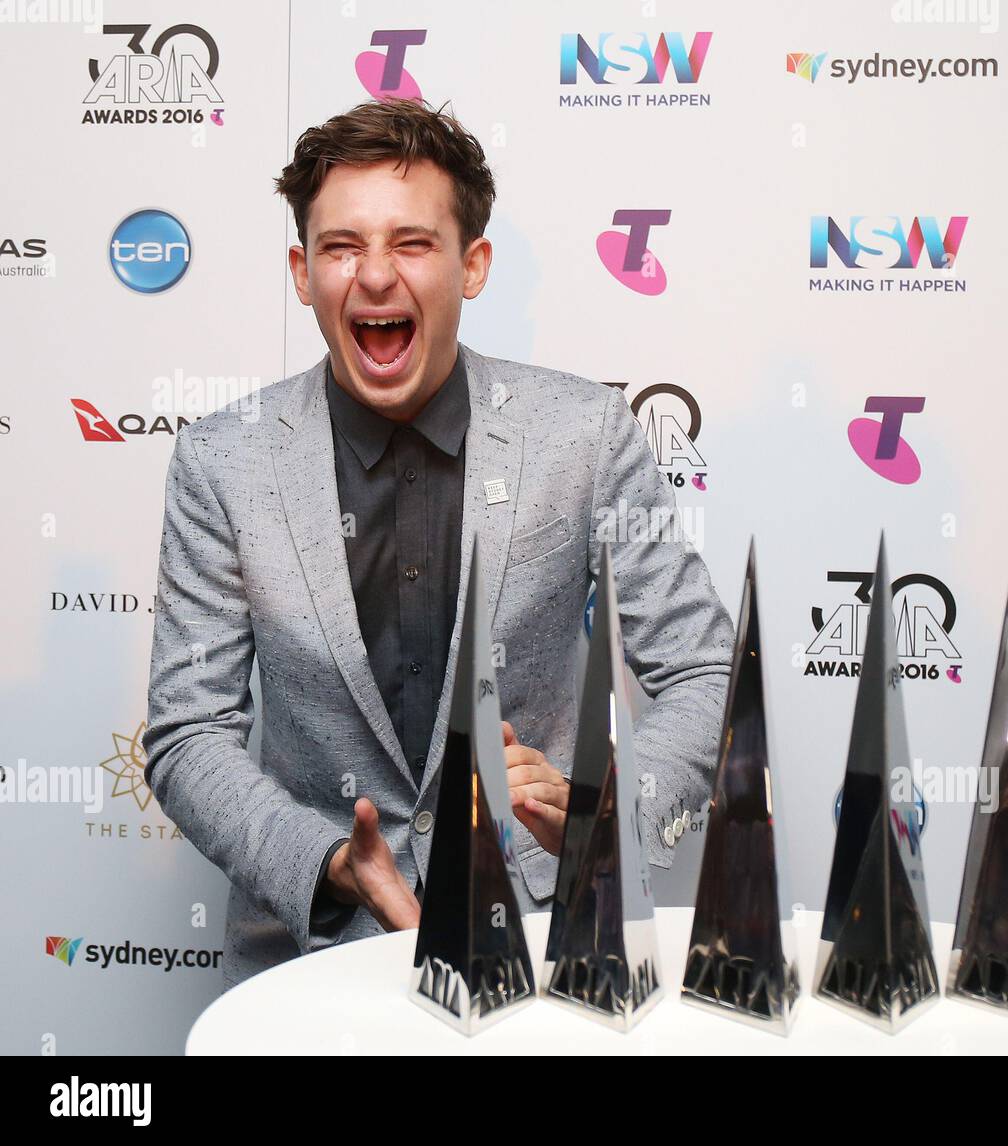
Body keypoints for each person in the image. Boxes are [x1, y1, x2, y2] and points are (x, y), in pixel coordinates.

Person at [142, 98, 734, 989]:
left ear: (473, 265)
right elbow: (188, 731)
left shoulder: (584, 434)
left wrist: (601, 817)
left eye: (412, 243)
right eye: (342, 247)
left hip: (542, 947)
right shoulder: (222, 461)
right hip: (311, 966)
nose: (375, 276)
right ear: (304, 273)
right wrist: (333, 865)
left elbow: (705, 671)